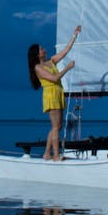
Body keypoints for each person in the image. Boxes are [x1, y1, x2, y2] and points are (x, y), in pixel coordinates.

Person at [27, 25, 81, 161]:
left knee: (57, 126)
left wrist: (74, 35)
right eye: (41, 49)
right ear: (37, 54)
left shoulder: (50, 61)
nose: (44, 50)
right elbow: (55, 78)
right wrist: (67, 68)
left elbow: (65, 51)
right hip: (51, 95)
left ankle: (46, 153)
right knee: (56, 127)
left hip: (57, 93)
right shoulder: (38, 67)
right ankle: (56, 155)